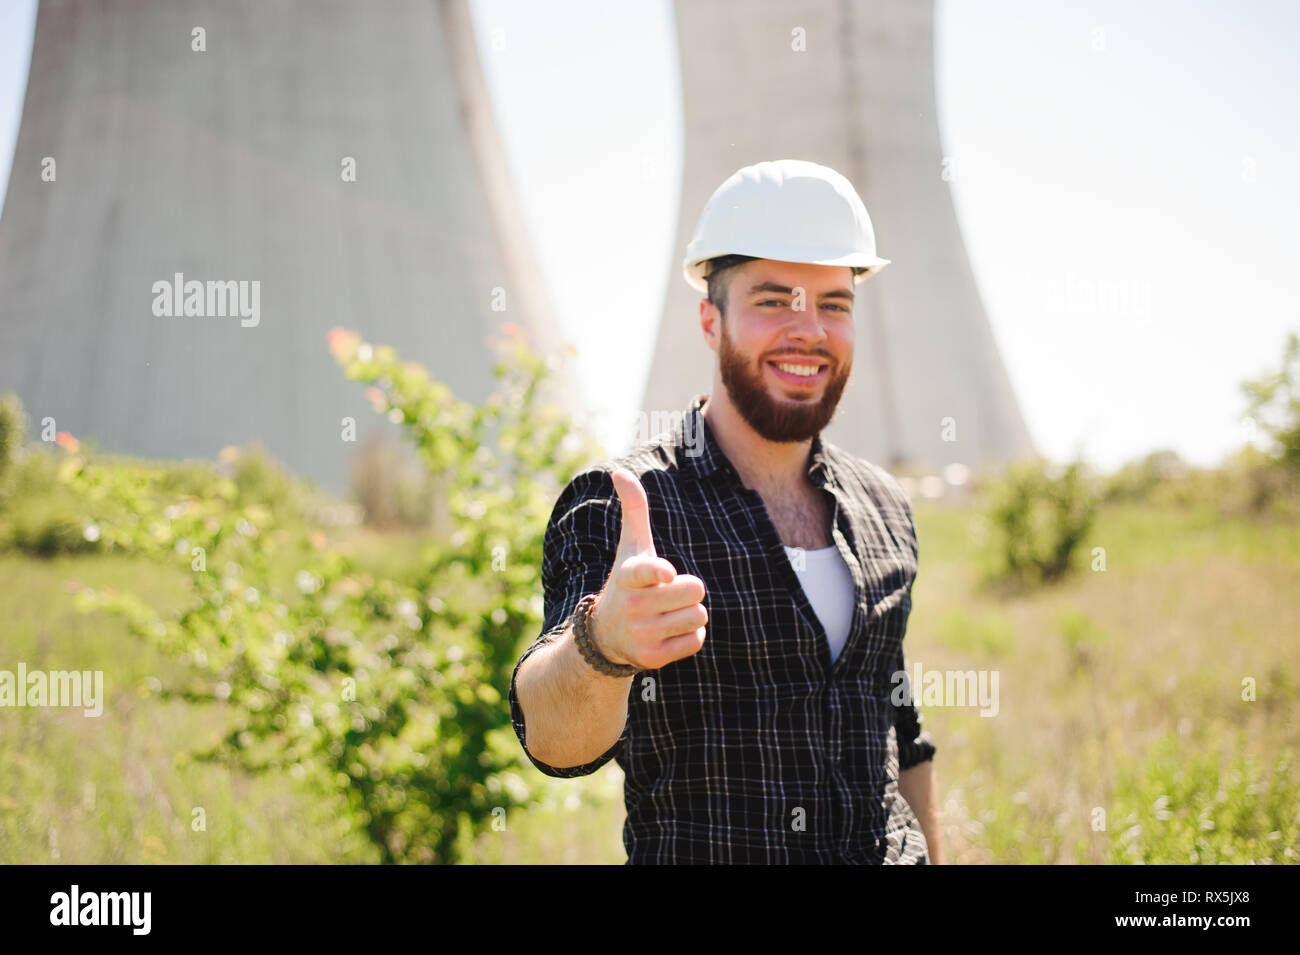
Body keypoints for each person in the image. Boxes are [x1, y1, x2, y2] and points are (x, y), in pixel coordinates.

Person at [509, 159, 942, 864]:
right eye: (774, 301)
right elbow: (552, 741)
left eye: (833, 303)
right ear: (710, 320)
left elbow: (903, 732)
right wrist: (604, 644)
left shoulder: (884, 506)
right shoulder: (628, 503)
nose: (809, 330)